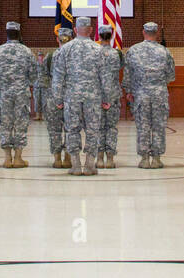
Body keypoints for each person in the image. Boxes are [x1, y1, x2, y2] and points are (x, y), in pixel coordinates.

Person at [52, 16, 113, 175]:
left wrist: (58, 99)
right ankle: (90, 165)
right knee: (93, 131)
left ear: (74, 30)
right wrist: (107, 99)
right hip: (93, 98)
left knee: (72, 130)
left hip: (71, 97)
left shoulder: (65, 49)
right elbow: (105, 77)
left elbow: (58, 77)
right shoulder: (99, 50)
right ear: (91, 30)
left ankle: (75, 165)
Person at [122, 22, 176, 169]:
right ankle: (157, 158)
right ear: (157, 33)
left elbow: (127, 75)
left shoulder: (133, 51)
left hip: (140, 95)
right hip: (159, 94)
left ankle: (144, 158)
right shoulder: (165, 51)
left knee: (143, 127)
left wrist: (129, 91)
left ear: (143, 32)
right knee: (159, 126)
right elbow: (171, 76)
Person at [0, 21, 38, 168]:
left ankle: (7, 158)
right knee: (21, 125)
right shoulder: (27, 52)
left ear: (7, 33)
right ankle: (18, 158)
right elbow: (35, 75)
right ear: (19, 33)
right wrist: (30, 86)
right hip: (22, 94)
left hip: (5, 95)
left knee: (5, 125)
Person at [96, 24, 123, 168]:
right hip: (113, 96)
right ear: (112, 36)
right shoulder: (117, 54)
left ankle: (99, 159)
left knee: (98, 128)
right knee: (111, 127)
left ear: (99, 36)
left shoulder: (94, 53)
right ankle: (110, 159)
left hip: (97, 97)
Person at [44, 27, 72, 168]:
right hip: (71, 98)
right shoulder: (75, 57)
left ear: (57, 39)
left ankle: (57, 159)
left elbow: (43, 79)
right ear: (71, 39)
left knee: (54, 130)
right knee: (71, 129)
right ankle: (68, 158)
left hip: (53, 98)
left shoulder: (49, 57)